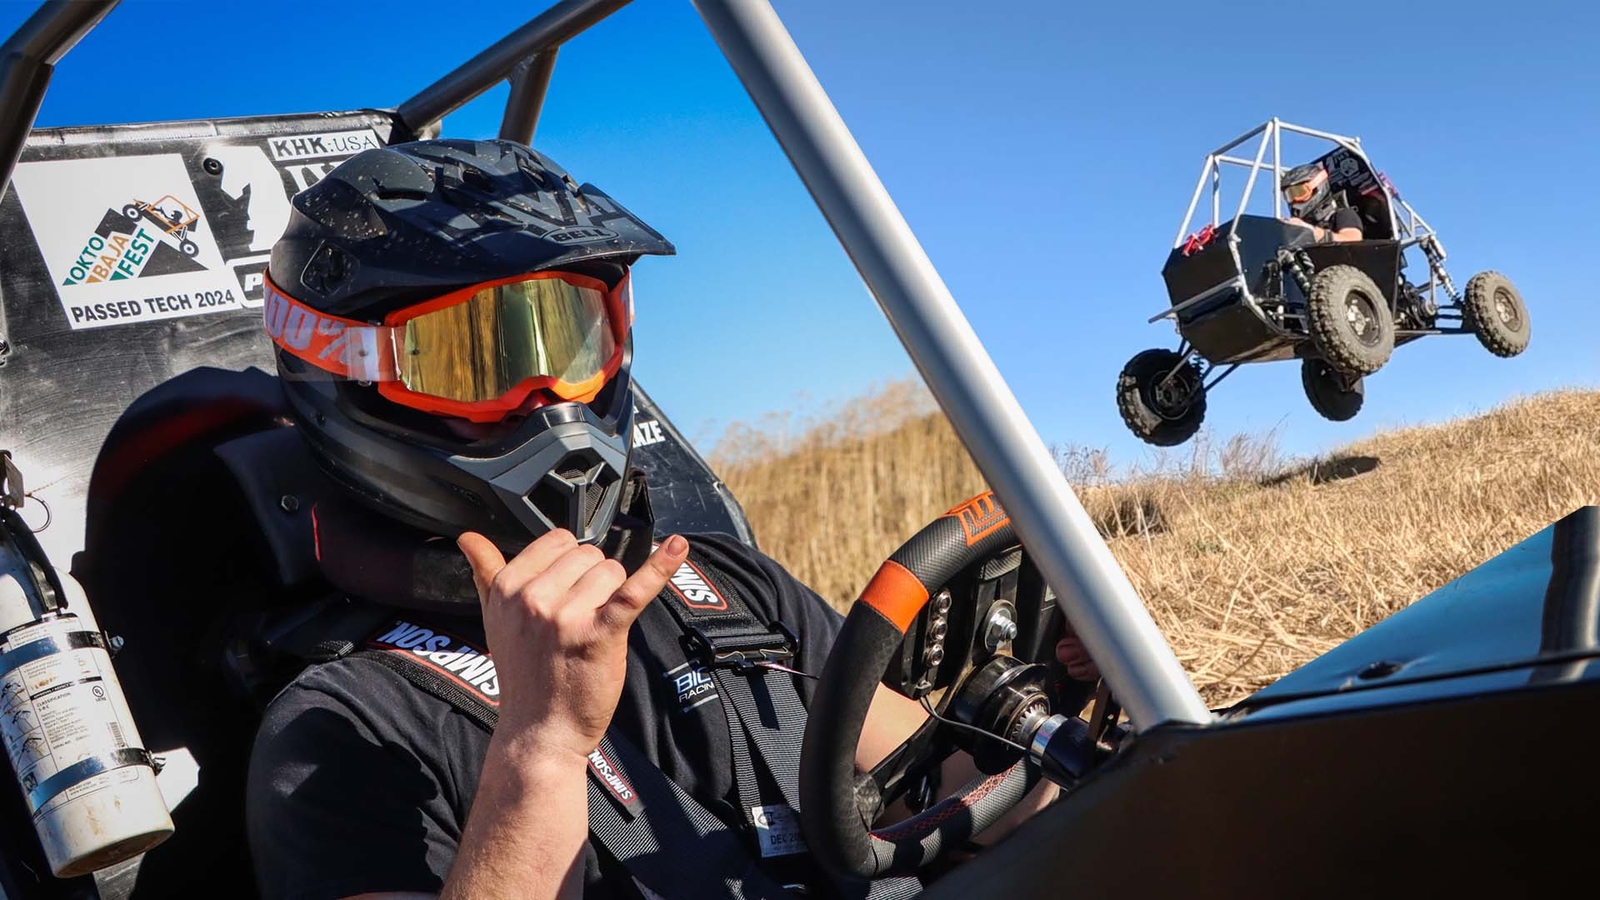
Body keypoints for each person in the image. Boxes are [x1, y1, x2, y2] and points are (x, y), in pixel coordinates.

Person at [244, 138, 1093, 900]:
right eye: (475, 360)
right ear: (345, 374)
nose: (549, 401)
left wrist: (1054, 712)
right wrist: (540, 749)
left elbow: (956, 797)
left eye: (570, 342)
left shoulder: (725, 584)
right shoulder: (339, 728)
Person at [1280, 161, 1363, 243]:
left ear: (1317, 186)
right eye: (1289, 195)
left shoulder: (1344, 214)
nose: (1294, 199)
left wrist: (1312, 232)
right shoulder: (1305, 223)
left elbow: (1353, 241)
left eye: (1299, 191)